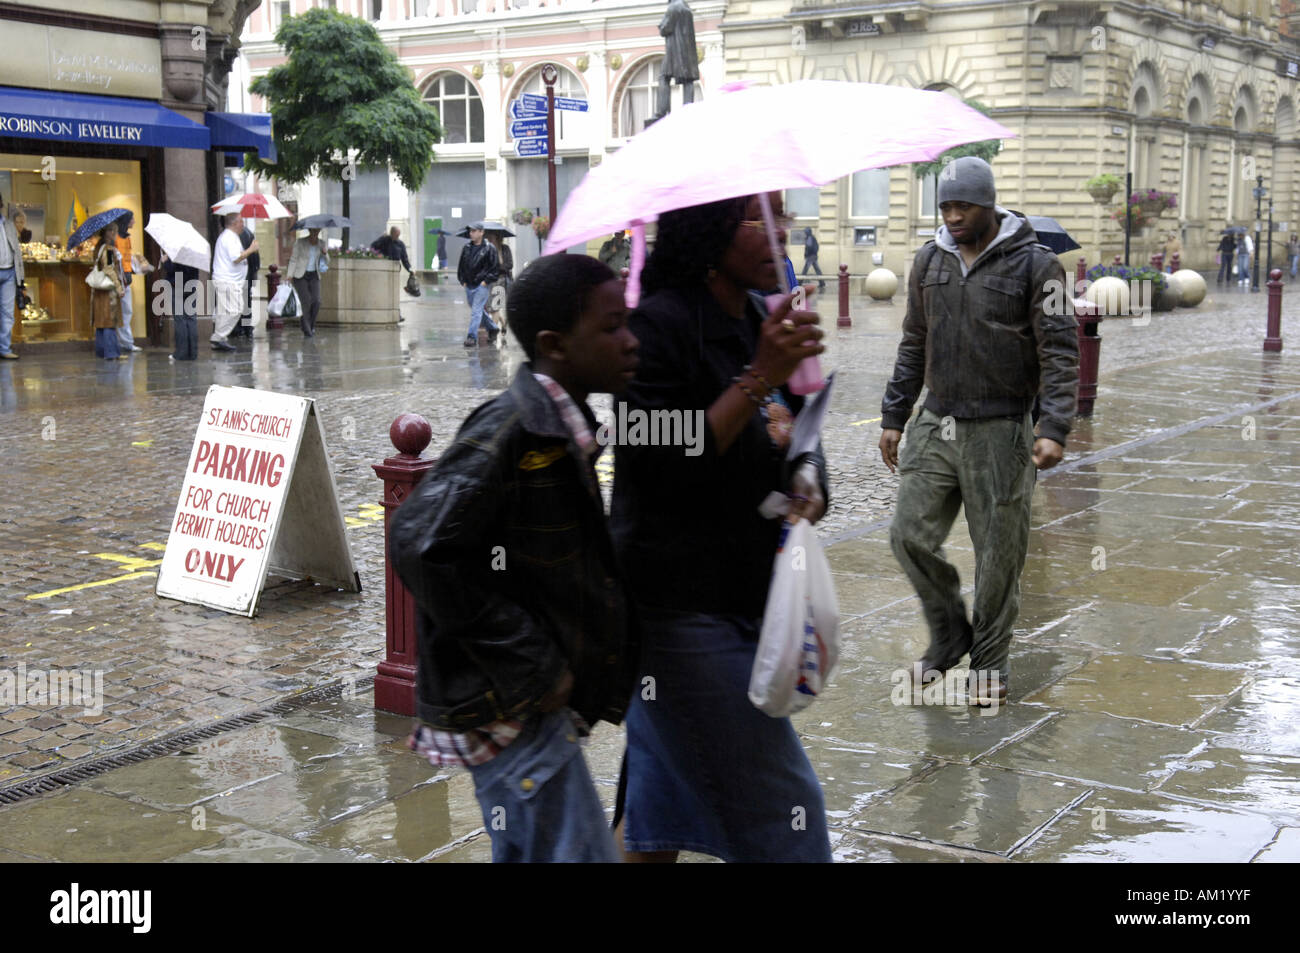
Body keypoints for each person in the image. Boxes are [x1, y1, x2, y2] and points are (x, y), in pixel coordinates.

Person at [390, 253, 642, 863]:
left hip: (524, 707)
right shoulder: (514, 429)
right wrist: (532, 664)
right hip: (511, 712)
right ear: (555, 345)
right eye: (611, 328)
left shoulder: (561, 425)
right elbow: (422, 545)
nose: (630, 341)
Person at [609, 192, 832, 863]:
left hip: (749, 588)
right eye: (758, 221)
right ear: (709, 235)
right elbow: (660, 449)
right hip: (679, 608)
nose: (780, 233)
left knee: (657, 807)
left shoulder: (761, 318)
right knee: (789, 815)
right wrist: (763, 373)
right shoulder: (651, 330)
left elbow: (795, 430)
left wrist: (809, 480)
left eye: (782, 218)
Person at [878, 156, 1078, 708]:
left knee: (997, 556)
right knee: (908, 536)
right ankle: (949, 636)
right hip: (935, 422)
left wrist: (1054, 425)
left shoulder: (1038, 266)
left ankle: (990, 661)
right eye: (945, 206)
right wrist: (895, 415)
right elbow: (914, 341)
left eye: (962, 205)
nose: (953, 216)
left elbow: (1059, 350)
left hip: (1001, 428)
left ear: (988, 205)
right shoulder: (928, 259)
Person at [211, 212, 255, 351]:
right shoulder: (229, 237)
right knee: (235, 309)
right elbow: (236, 258)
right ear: (234, 223)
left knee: (225, 311)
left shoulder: (232, 237)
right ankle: (218, 337)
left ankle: (220, 338)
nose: (243, 224)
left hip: (230, 280)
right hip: (227, 280)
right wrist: (251, 250)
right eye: (241, 221)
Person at [457, 222, 500, 347]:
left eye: (474, 231)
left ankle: (471, 337)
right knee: (477, 309)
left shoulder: (489, 248)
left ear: (481, 232)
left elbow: (494, 268)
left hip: (482, 285)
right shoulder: (466, 248)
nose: (471, 233)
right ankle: (493, 328)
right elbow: (461, 266)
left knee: (476, 311)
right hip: (468, 284)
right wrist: (462, 281)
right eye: (470, 231)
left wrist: (485, 282)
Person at [90, 223, 127, 361]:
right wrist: (119, 287)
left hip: (99, 290)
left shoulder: (98, 248)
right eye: (115, 232)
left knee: (100, 322)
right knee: (110, 321)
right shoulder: (109, 249)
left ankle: (102, 351)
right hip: (108, 290)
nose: (116, 235)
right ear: (110, 232)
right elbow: (109, 269)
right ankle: (112, 352)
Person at [286, 226, 328, 337]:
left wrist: (325, 253)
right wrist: (289, 275)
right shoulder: (300, 242)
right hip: (300, 275)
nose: (315, 232)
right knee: (305, 302)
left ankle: (310, 325)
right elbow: (294, 259)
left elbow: (327, 261)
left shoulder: (322, 243)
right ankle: (307, 330)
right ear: (309, 230)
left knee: (317, 301)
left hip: (314, 274)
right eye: (313, 230)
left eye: (317, 230)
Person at [113, 213, 145, 353]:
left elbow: (127, 258)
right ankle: (124, 342)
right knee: (122, 311)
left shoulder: (127, 238)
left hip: (125, 278)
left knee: (126, 311)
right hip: (118, 278)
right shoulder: (116, 238)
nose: (134, 221)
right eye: (132, 218)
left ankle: (125, 341)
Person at [161, 252, 200, 361]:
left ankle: (181, 353)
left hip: (177, 286)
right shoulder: (194, 250)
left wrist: (165, 261)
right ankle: (193, 353)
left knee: (180, 320)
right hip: (191, 285)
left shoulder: (176, 251)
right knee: (191, 318)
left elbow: (172, 269)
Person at [0, 193, 23, 360]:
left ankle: (4, 348)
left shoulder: (8, 225)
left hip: (9, 272)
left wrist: (20, 277)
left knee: (8, 313)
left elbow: (17, 251)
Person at [485, 233, 514, 339]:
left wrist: (498, 266)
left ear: (497, 238)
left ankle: (493, 333)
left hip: (500, 281)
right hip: (489, 282)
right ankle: (503, 323)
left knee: (495, 308)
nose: (489, 239)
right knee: (491, 309)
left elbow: (510, 265)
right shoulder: (487, 249)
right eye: (488, 237)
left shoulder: (505, 249)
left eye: (491, 237)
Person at [236, 223, 260, 338]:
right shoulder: (249, 234)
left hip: (240, 272)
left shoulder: (235, 235)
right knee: (246, 301)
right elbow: (255, 256)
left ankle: (239, 327)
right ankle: (247, 328)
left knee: (238, 301)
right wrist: (255, 270)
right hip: (248, 272)